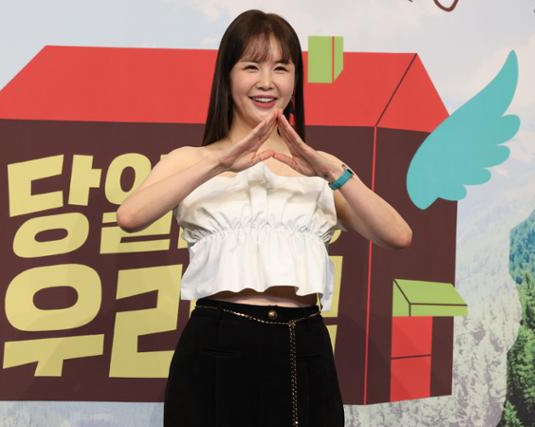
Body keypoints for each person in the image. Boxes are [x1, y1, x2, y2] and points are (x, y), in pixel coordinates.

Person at [117, 9, 412, 427]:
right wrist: (220, 162)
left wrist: (331, 170)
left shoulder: (320, 169)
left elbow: (398, 236)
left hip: (304, 346)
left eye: (281, 68)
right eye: (251, 66)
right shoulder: (191, 160)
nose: (267, 82)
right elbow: (130, 216)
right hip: (217, 345)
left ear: (295, 81)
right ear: (227, 76)